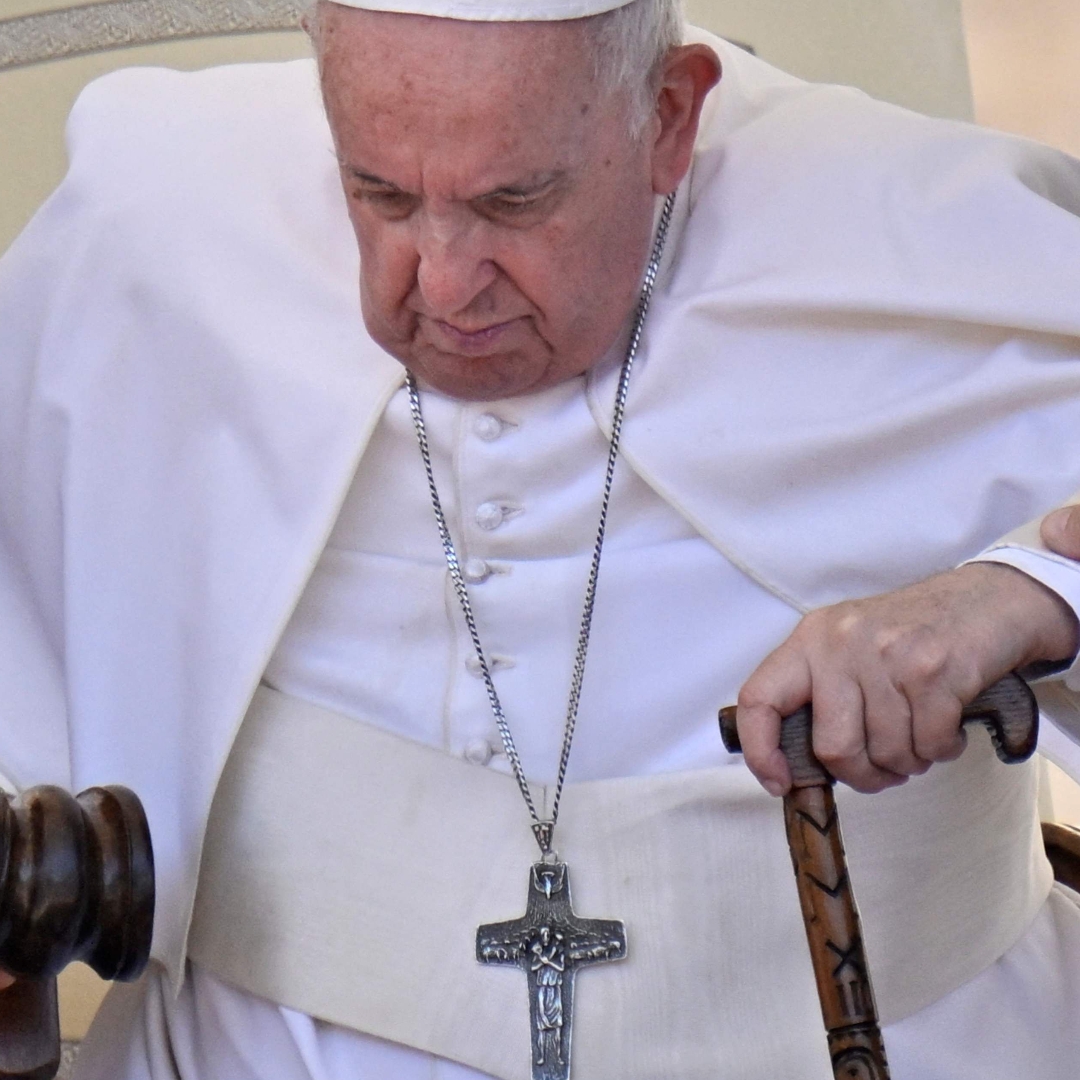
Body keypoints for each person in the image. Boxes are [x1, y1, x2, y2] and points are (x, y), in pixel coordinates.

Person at [1, 0, 1080, 1077]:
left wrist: (1021, 590)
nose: (440, 283)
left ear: (666, 117)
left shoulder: (921, 230)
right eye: (378, 192)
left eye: (515, 200)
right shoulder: (159, 217)